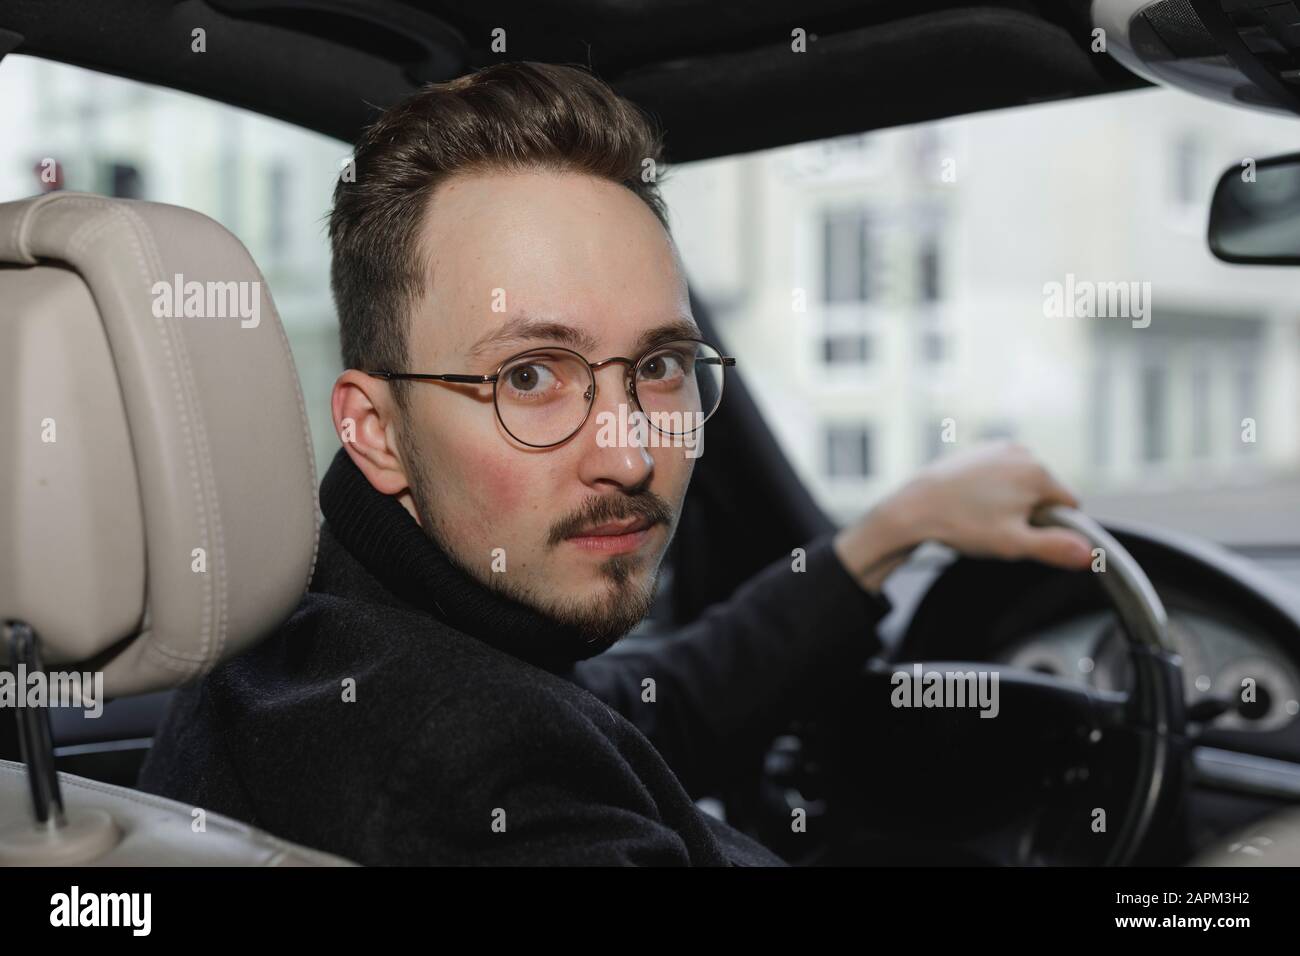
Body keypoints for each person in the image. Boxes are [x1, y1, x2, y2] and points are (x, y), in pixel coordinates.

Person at [138, 61, 1092, 865]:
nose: (633, 453)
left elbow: (644, 709)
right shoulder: (476, 787)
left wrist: (897, 529)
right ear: (375, 428)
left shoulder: (333, 634)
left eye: (662, 366)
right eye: (530, 376)